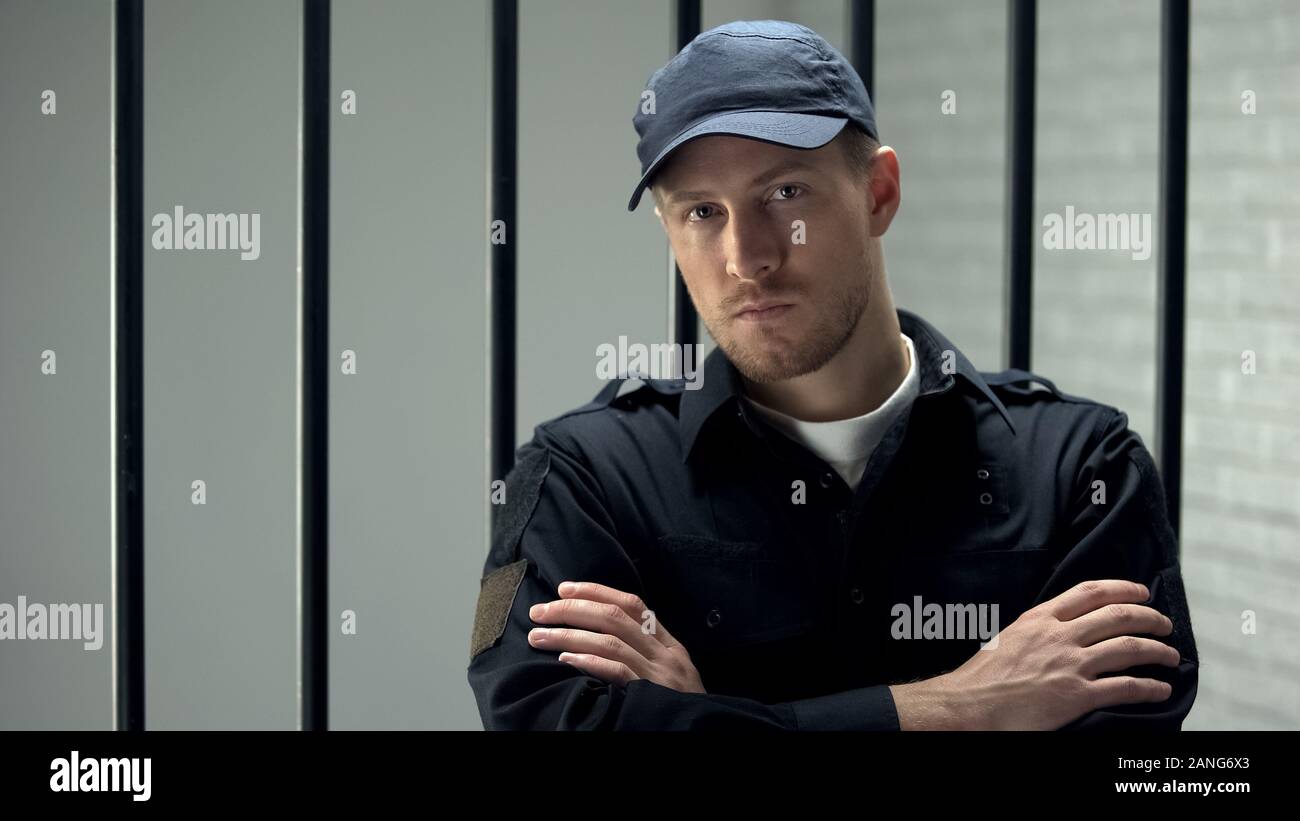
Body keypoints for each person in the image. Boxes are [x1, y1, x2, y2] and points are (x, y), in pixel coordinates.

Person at [466, 19, 1198, 730]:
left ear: (878, 192)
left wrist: (707, 715)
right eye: (701, 211)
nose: (745, 256)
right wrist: (966, 706)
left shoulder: (1081, 470)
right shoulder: (582, 479)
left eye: (785, 193)